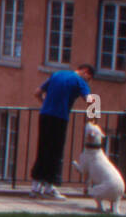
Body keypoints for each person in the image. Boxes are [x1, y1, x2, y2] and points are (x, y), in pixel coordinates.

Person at [30, 64, 94, 200]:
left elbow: (37, 93)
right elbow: (90, 100)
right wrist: (93, 119)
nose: (88, 81)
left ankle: (35, 187)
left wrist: (46, 104)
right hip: (60, 117)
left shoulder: (57, 74)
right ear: (86, 72)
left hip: (45, 115)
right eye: (89, 78)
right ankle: (49, 187)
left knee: (42, 149)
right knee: (55, 152)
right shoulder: (79, 81)